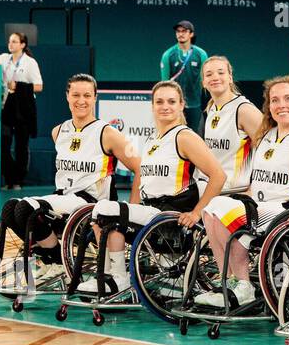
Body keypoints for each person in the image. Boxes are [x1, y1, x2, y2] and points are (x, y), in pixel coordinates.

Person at [197, 76, 289, 308]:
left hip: (285, 210)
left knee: (223, 211)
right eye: (275, 100)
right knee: (211, 209)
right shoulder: (266, 136)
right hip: (259, 205)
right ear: (269, 106)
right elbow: (259, 182)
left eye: (288, 99)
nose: (281, 105)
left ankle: (244, 286)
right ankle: (229, 282)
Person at [78, 81, 227, 295]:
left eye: (171, 101)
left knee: (104, 208)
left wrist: (196, 213)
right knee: (106, 214)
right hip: (151, 210)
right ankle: (109, 275)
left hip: (169, 213)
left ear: (181, 105)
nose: (165, 106)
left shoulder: (184, 137)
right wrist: (130, 210)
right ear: (152, 106)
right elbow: (143, 181)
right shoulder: (152, 139)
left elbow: (218, 176)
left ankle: (119, 278)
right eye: (159, 102)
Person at [0, 73, 137, 288]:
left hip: (90, 202)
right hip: (63, 198)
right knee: (9, 209)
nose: (81, 100)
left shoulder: (108, 133)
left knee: (25, 209)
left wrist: (131, 210)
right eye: (76, 95)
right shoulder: (58, 131)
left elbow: (139, 168)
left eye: (87, 95)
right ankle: (51, 256)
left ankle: (57, 261)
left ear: (95, 98)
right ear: (67, 96)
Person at [0, 32, 44, 189]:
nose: (10, 44)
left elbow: (39, 86)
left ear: (22, 45)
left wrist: (18, 86)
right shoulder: (4, 58)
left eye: (14, 41)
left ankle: (18, 180)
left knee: (21, 146)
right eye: (9, 41)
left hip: (23, 108)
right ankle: (10, 178)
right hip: (7, 108)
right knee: (3, 145)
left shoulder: (30, 62)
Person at [197, 57, 263, 198]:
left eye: (221, 72)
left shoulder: (244, 110)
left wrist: (254, 188)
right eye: (209, 74)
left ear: (230, 78)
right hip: (208, 190)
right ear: (204, 82)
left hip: (233, 193)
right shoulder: (210, 109)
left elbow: (271, 152)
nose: (215, 77)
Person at [159, 21, 209, 132]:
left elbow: (206, 80)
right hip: (174, 105)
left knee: (193, 134)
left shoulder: (201, 54)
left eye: (184, 31)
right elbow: (164, 84)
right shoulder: (168, 55)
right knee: (173, 132)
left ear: (191, 34)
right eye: (178, 31)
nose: (180, 34)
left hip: (195, 104)